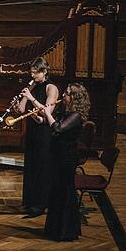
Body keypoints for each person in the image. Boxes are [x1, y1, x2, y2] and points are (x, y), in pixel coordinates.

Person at [41, 83, 89, 242]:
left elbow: (58, 129)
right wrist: (41, 117)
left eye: (67, 94)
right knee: (57, 192)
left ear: (75, 98)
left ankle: (65, 231)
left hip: (67, 158)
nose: (63, 96)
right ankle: (55, 229)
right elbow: (53, 128)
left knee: (65, 193)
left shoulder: (75, 115)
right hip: (58, 156)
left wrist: (48, 113)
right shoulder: (66, 111)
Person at [18, 57, 59, 217]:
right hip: (33, 130)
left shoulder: (52, 88)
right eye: (32, 73)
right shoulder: (33, 85)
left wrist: (31, 98)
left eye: (36, 73)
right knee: (31, 165)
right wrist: (18, 104)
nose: (33, 76)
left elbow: (46, 112)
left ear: (44, 71)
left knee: (42, 167)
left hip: (46, 133)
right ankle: (30, 201)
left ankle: (41, 204)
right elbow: (22, 109)